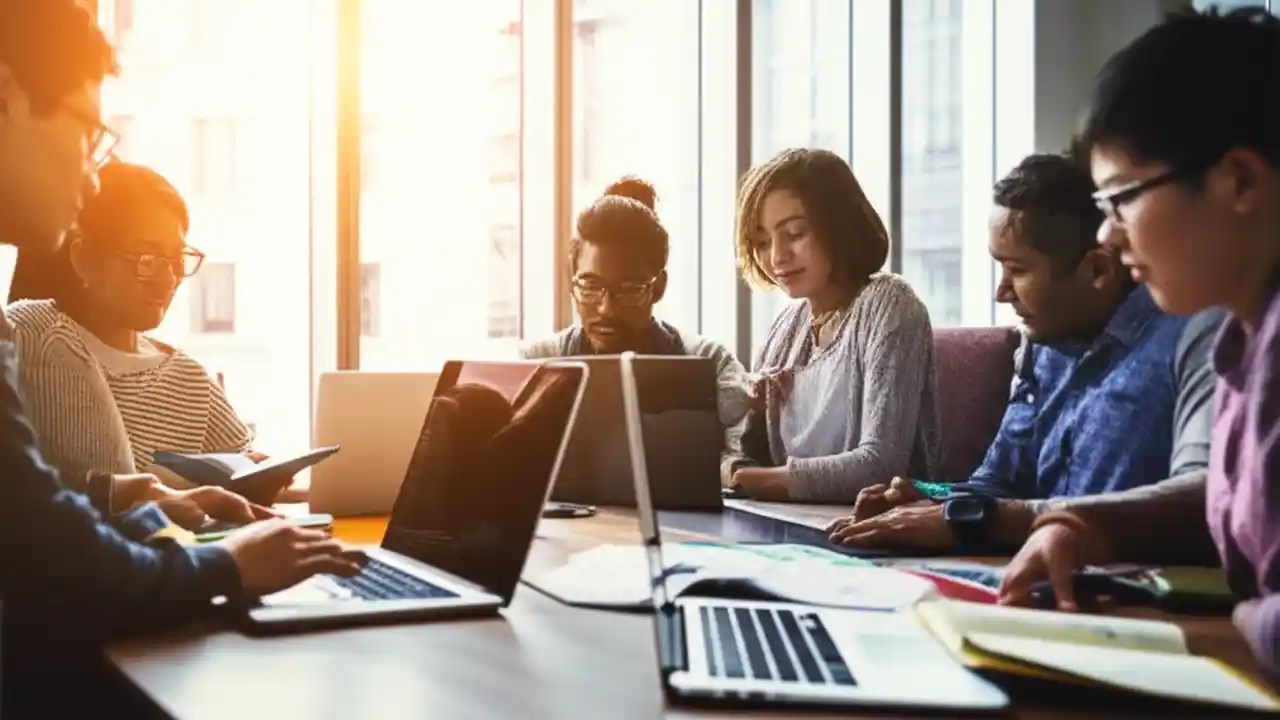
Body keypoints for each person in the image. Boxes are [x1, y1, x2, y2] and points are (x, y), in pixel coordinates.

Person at [0, 2, 357, 711]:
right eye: (85, 129)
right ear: (8, 96)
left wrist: (153, 504)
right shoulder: (36, 333)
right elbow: (61, 569)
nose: (93, 172)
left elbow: (30, 525)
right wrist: (226, 564)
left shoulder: (182, 367)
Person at [999, 8, 1280, 675]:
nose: (1106, 236)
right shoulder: (1243, 340)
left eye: (1121, 199)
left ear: (1239, 181)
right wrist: (1085, 524)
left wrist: (1245, 628)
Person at [828, 153, 1192, 551]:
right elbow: (997, 486)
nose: (1001, 292)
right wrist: (929, 495)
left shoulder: (1183, 341)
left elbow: (1193, 510)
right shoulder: (1040, 344)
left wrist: (969, 520)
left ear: (1098, 271)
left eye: (1017, 270)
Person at [7, 161, 254, 480]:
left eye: (176, 260)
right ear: (83, 258)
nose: (167, 280)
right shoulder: (29, 335)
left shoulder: (189, 378)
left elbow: (245, 467)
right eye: (146, 260)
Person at [723, 148, 941, 502]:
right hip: (796, 524)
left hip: (884, 527)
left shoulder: (890, 305)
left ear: (839, 227)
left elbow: (880, 467)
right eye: (762, 242)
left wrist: (747, 478)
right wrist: (738, 452)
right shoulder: (786, 329)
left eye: (794, 233)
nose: (777, 256)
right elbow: (747, 456)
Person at [520, 176, 751, 453]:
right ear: (572, 282)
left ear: (659, 287)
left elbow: (741, 460)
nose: (606, 308)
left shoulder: (710, 363)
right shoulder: (535, 364)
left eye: (628, 289)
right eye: (590, 286)